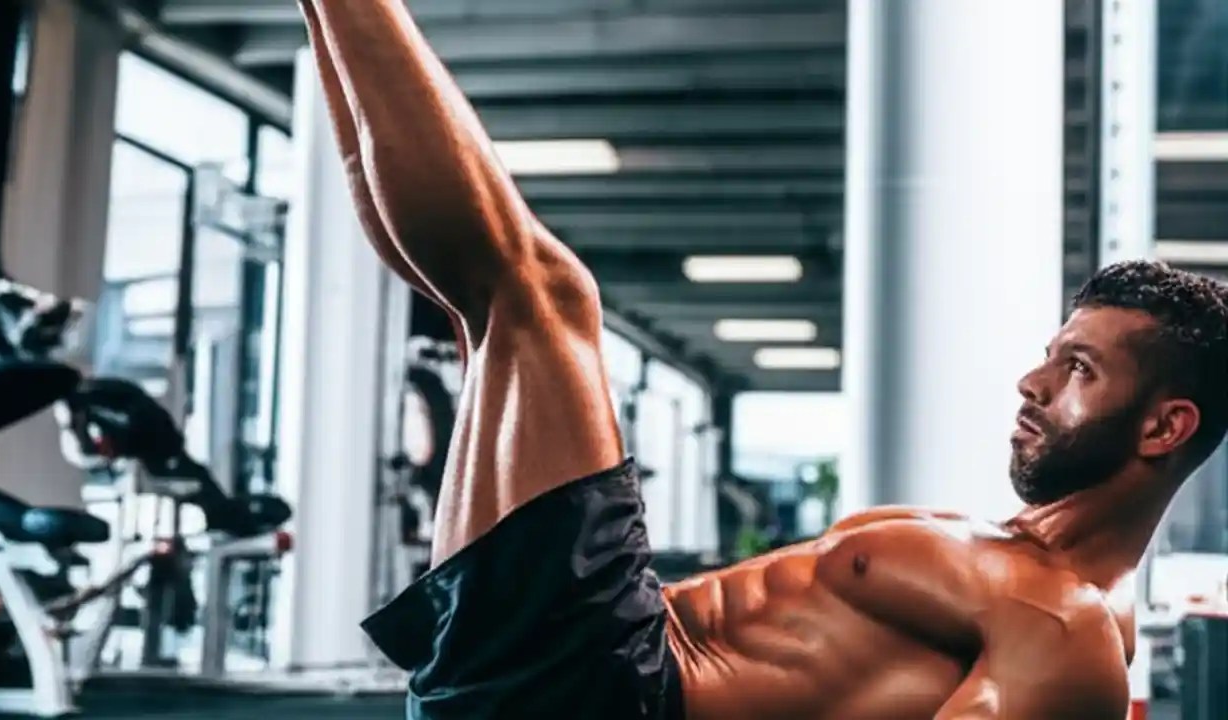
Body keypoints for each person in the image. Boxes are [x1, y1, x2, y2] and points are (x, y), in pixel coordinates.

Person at [298, 2, 1228, 717]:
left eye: (1080, 372)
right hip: (591, 659)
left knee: (542, 297)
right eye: (1050, 356)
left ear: (1165, 426)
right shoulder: (1001, 557)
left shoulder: (1066, 633)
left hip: (617, 686)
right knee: (488, 315)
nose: (1032, 383)